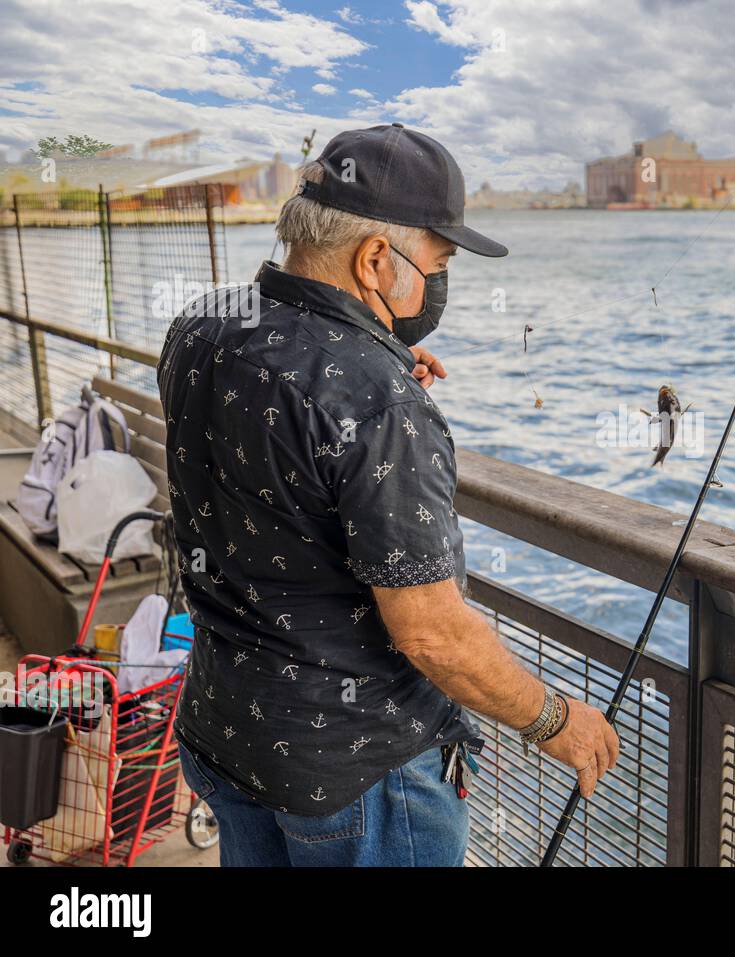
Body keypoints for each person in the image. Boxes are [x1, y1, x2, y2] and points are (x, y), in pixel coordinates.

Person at [159, 123, 619, 866]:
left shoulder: (201, 325)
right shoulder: (378, 401)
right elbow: (431, 632)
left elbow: (286, 387)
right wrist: (554, 719)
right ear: (376, 258)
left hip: (224, 731)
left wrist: (372, 357)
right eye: (439, 261)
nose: (441, 282)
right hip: (356, 779)